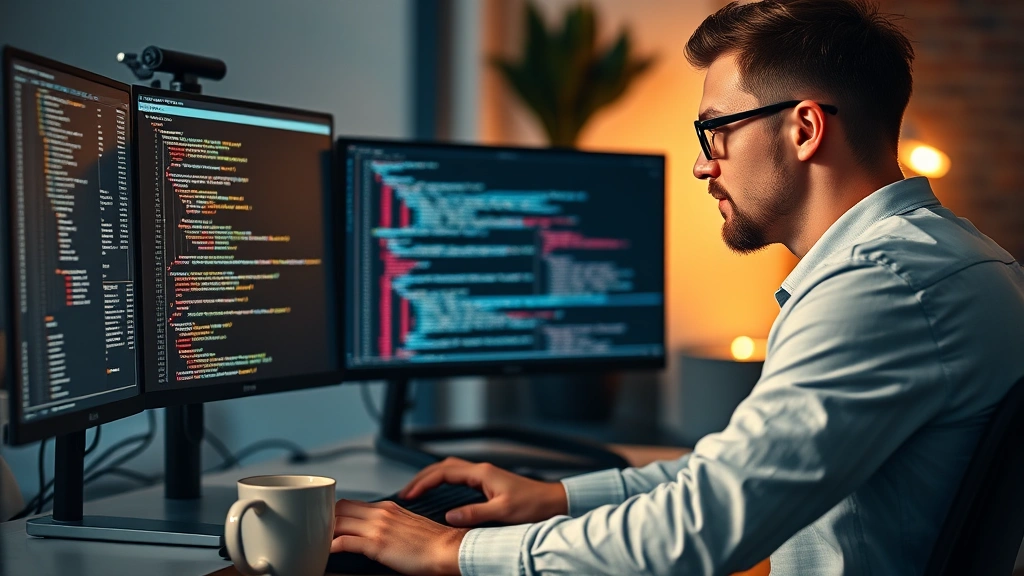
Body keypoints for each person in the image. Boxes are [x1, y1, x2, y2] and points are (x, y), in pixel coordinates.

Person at [332, 1, 1024, 574]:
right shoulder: (957, 259)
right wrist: (557, 498)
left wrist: (455, 551)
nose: (701, 164)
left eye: (714, 129)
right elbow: (737, 477)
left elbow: (701, 529)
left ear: (805, 128)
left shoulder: (881, 288)